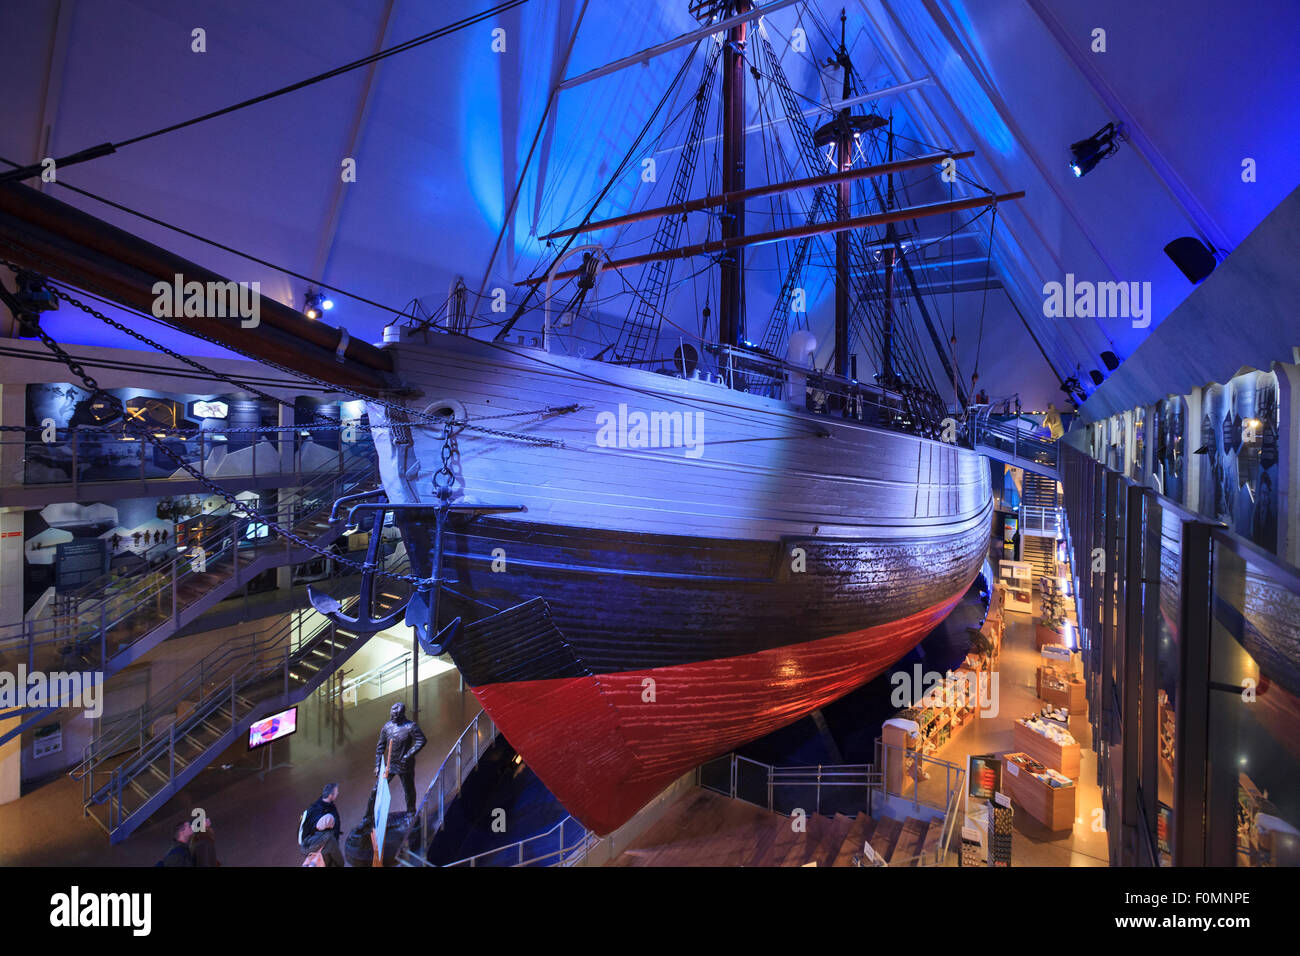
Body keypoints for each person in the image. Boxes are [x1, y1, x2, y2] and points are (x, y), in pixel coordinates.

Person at [366, 702, 426, 818]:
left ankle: (411, 812)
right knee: (376, 790)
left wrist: (408, 755)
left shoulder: (410, 726)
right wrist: (377, 765)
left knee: (408, 790)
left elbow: (421, 740)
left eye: (395, 715)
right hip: (389, 765)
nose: (393, 717)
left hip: (405, 765)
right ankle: (367, 817)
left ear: (402, 714)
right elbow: (380, 747)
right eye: (392, 715)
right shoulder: (387, 727)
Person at [299, 783, 345, 867]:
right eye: (336, 792)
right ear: (331, 795)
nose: (338, 793)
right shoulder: (329, 840)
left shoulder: (313, 808)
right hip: (328, 859)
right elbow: (340, 861)